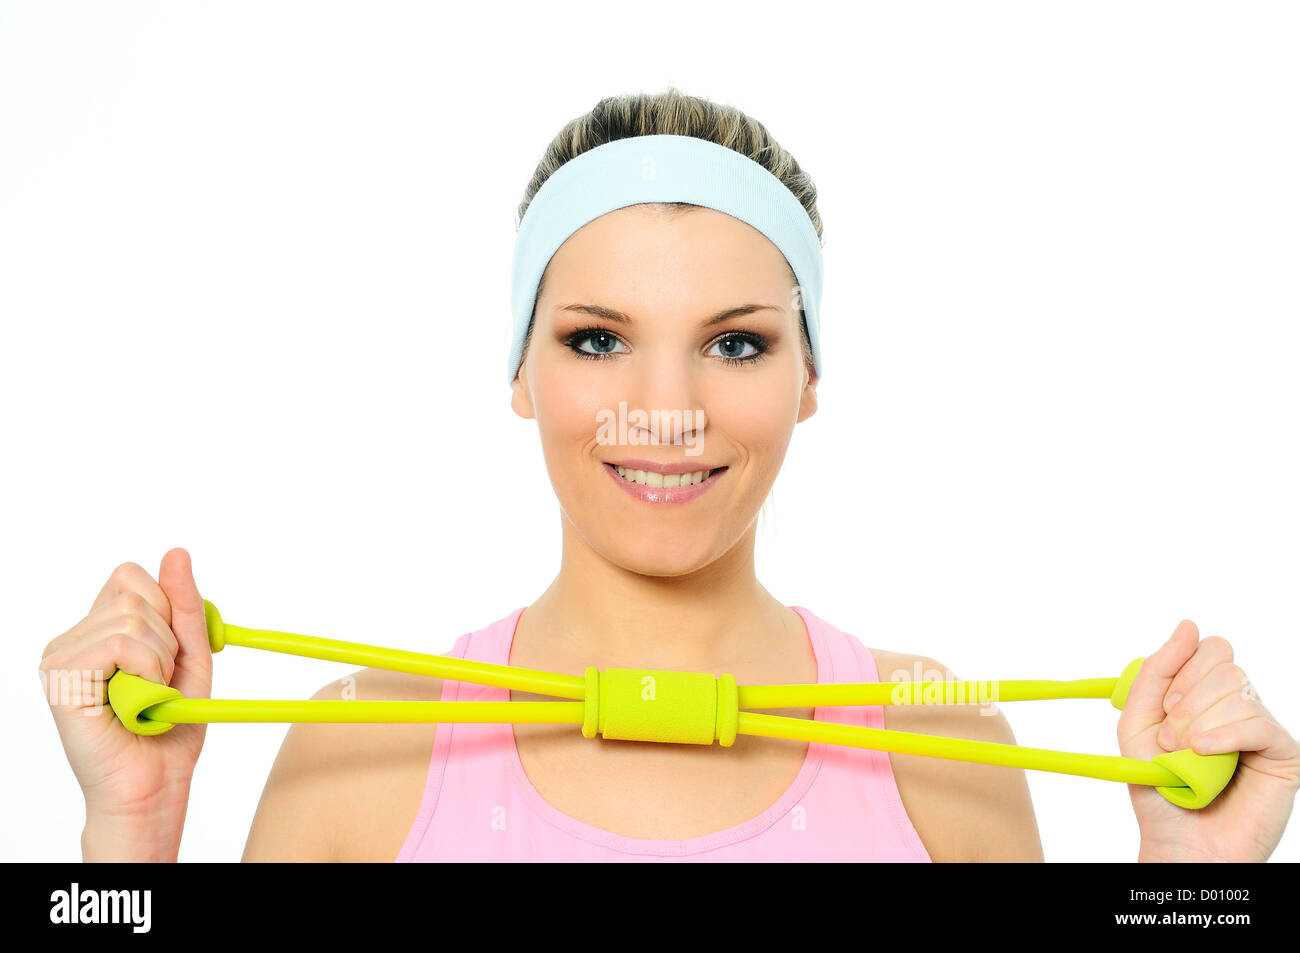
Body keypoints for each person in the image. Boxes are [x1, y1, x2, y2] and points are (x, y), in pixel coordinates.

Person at [41, 88, 1299, 862]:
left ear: (810, 375)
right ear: (521, 369)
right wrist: (130, 842)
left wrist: (1199, 886)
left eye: (735, 342)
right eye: (597, 338)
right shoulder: (356, 753)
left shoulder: (946, 749)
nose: (665, 409)